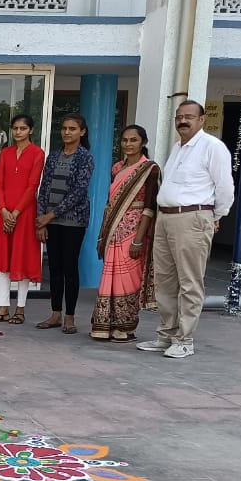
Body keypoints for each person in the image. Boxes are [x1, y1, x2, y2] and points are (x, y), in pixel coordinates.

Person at [138, 99, 234, 359]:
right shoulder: (178, 148)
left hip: (192, 218)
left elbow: (225, 187)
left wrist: (215, 215)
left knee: (190, 281)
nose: (183, 120)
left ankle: (185, 339)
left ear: (201, 120)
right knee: (165, 280)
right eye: (179, 116)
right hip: (166, 218)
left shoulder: (212, 148)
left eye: (190, 116)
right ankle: (166, 335)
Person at [91, 125, 159, 342]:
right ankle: (104, 324)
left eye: (134, 140)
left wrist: (139, 239)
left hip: (135, 229)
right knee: (109, 276)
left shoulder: (149, 168)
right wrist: (103, 232)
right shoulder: (117, 168)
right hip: (113, 230)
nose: (128, 144)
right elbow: (110, 203)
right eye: (125, 140)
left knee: (128, 278)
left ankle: (126, 326)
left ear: (143, 142)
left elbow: (150, 207)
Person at [36, 113, 96, 334]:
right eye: (64, 128)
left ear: (82, 132)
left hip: (73, 221)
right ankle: (55, 313)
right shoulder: (53, 156)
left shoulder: (85, 158)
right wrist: (41, 220)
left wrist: (50, 215)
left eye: (72, 128)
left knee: (70, 268)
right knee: (54, 268)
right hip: (50, 220)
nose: (67, 132)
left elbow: (79, 193)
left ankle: (69, 316)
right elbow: (44, 189)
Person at [0, 114, 44, 325]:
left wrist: (15, 213)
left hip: (24, 213)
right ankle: (2, 308)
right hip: (3, 212)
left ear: (31, 130)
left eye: (23, 128)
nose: (18, 132)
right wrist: (3, 210)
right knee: (4, 260)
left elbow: (32, 185)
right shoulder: (5, 153)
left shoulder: (37, 153)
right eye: (15, 128)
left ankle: (20, 309)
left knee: (22, 257)